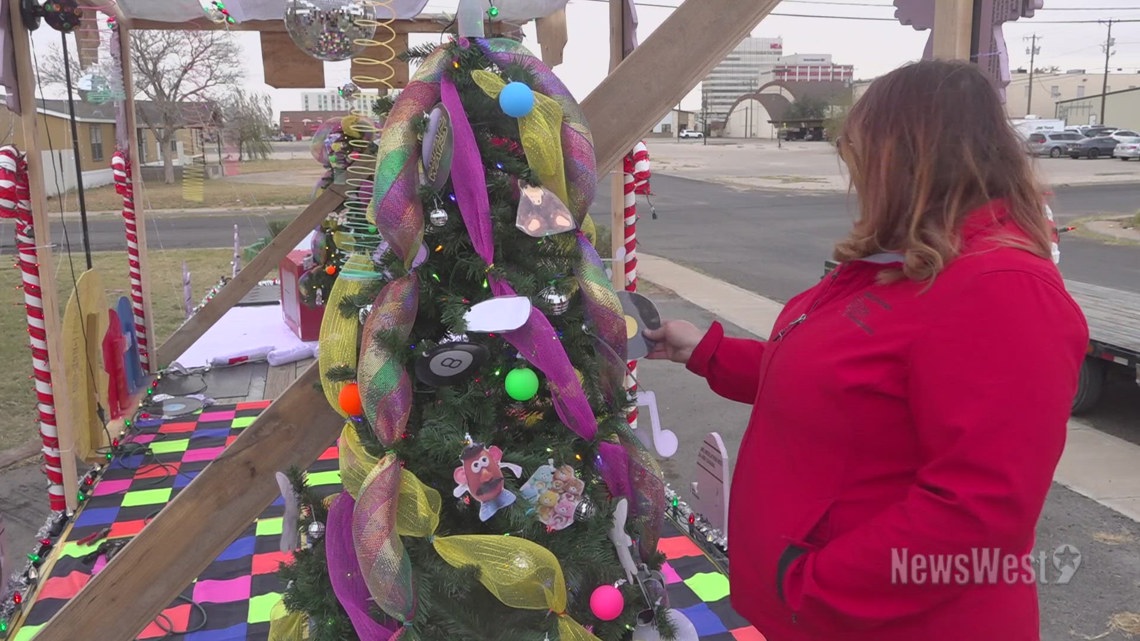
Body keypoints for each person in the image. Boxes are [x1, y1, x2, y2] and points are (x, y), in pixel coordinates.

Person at [644, 60, 1088, 641]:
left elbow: (979, 512)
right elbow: (834, 383)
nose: (856, 178)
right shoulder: (905, 260)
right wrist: (706, 351)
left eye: (861, 156)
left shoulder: (1000, 288)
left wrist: (813, 584)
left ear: (908, 157)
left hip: (887, 622)